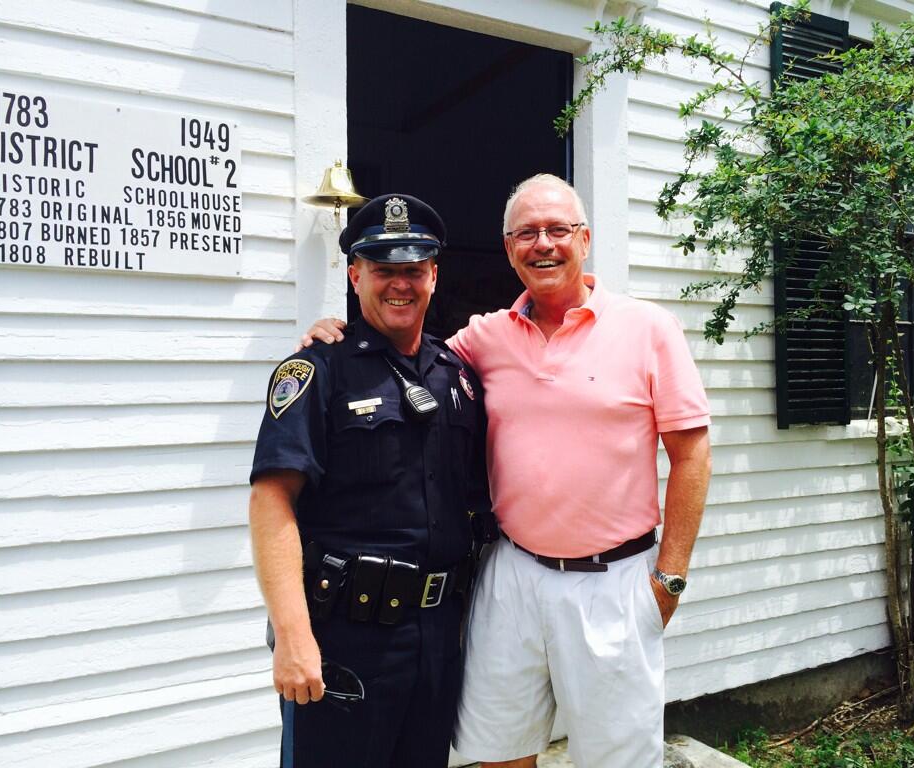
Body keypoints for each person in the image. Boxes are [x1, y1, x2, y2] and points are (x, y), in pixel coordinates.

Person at [301, 174, 712, 768]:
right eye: (526, 233)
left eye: (557, 230)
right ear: (509, 248)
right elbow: (409, 354)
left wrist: (669, 578)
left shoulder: (648, 329)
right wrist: (332, 335)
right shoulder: (483, 339)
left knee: (616, 761)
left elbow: (691, 453)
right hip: (512, 573)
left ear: (586, 238)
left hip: (614, 581)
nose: (542, 243)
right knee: (497, 753)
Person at [249, 193, 489, 768]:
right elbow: (270, 502)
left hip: (437, 635)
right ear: (355, 275)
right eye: (384, 270)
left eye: (413, 269)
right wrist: (291, 635)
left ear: (433, 274)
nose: (399, 285)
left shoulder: (458, 375)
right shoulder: (317, 371)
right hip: (344, 638)